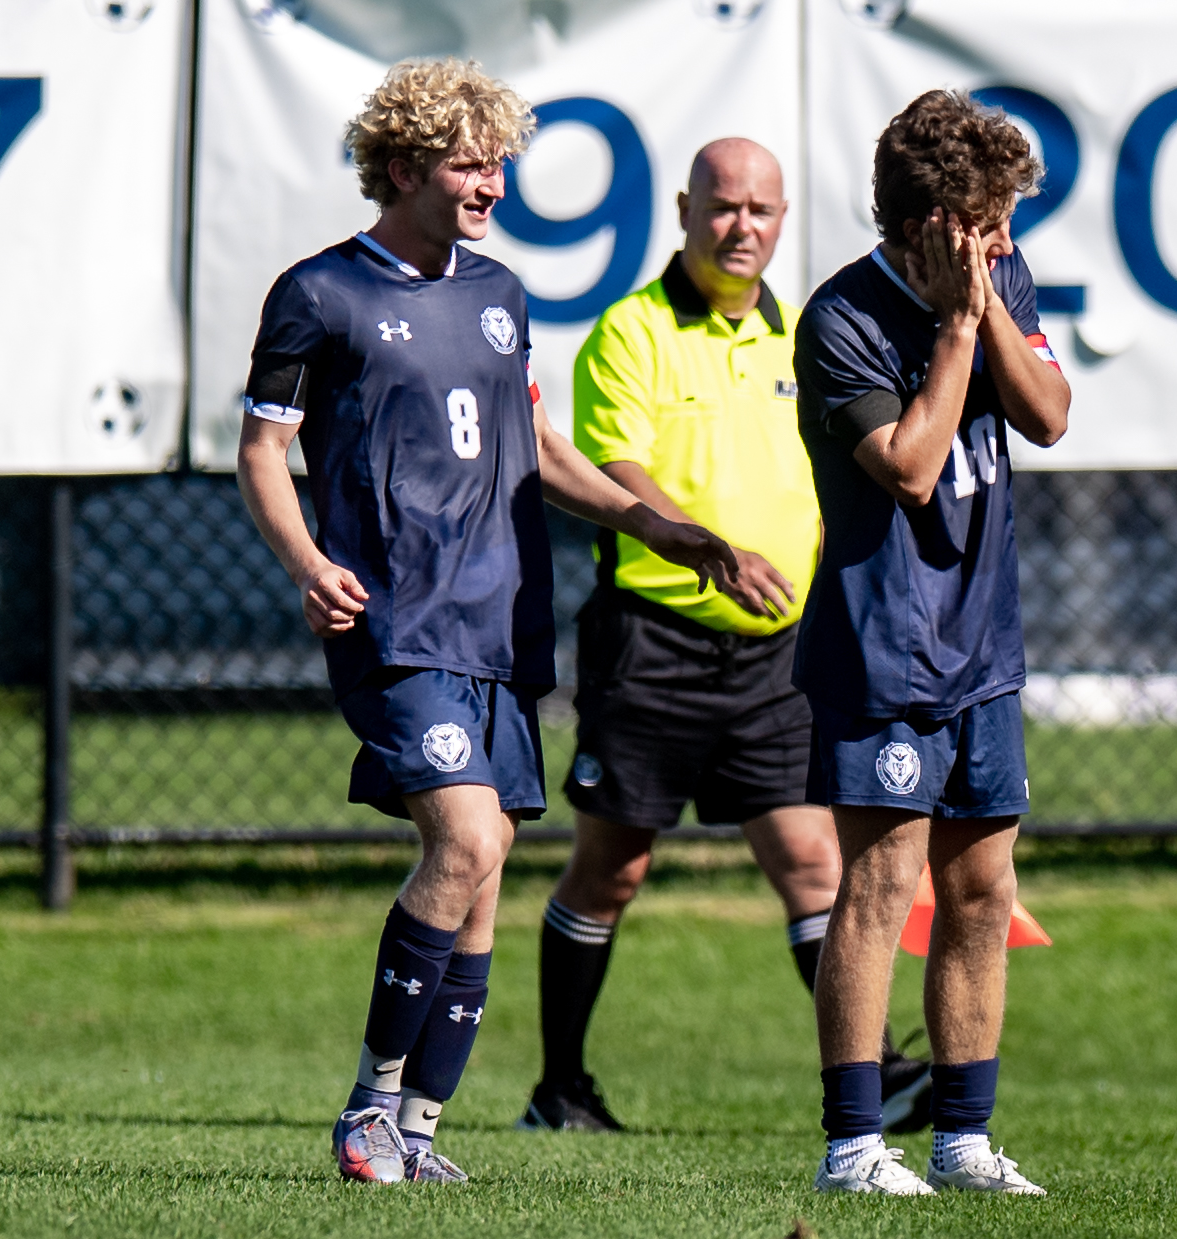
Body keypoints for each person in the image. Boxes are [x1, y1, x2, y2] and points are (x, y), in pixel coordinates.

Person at [235, 58, 737, 1185]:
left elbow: (537, 449)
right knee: (462, 841)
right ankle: (366, 1110)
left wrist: (663, 527)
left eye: (500, 161)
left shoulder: (501, 293)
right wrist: (309, 562)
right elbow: (263, 451)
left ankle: (418, 1129)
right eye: (470, 163)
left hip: (500, 627)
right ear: (403, 166)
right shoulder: (319, 295)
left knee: (491, 862)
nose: (493, 183)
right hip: (394, 620)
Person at [519, 137, 933, 1133]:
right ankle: (559, 1090)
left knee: (810, 863)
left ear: (783, 219)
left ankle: (872, 1075)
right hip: (651, 643)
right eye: (722, 207)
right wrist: (708, 549)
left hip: (777, 656)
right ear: (684, 210)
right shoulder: (631, 330)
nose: (740, 227)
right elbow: (618, 471)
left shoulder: (807, 337)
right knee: (611, 869)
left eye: (760, 210)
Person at [791, 89, 1071, 1196]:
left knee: (982, 889)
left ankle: (962, 1140)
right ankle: (853, 1147)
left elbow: (1048, 414)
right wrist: (957, 329)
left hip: (981, 645)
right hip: (882, 646)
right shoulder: (839, 319)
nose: (1003, 242)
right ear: (921, 228)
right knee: (881, 881)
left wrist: (987, 303)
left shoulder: (1001, 278)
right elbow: (908, 467)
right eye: (984, 224)